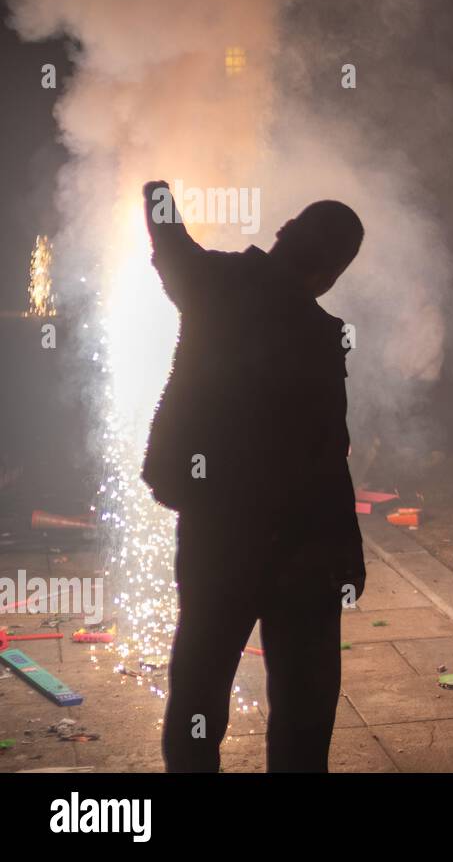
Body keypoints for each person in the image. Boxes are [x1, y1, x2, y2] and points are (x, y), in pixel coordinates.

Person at [142, 180, 365, 773]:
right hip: (306, 543)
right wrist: (346, 545)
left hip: (221, 526)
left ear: (284, 233)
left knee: (200, 680)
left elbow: (170, 244)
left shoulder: (216, 286)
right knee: (303, 700)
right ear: (333, 273)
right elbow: (330, 450)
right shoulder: (321, 334)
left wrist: (157, 193)